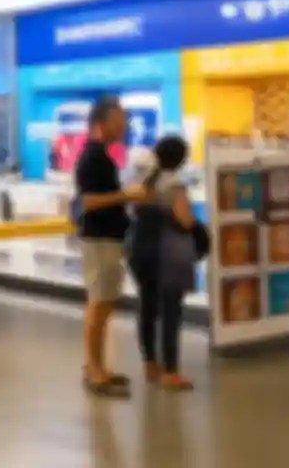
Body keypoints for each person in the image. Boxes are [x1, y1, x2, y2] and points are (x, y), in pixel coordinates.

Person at [75, 96, 146, 397]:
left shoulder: (103, 156)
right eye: (119, 122)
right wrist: (126, 196)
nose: (124, 127)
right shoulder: (91, 158)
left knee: (104, 302)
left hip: (109, 237)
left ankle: (98, 365)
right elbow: (88, 200)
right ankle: (93, 368)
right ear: (101, 125)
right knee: (98, 302)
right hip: (99, 238)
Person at [126, 135, 199, 392]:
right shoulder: (175, 184)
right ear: (181, 159)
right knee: (170, 311)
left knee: (146, 306)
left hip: (139, 248)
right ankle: (171, 371)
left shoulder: (140, 179)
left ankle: (150, 364)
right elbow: (185, 219)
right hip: (168, 251)